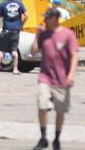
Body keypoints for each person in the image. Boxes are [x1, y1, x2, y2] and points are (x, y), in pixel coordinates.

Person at [32, 8, 78, 150]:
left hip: (62, 79)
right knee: (42, 106)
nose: (45, 20)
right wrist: (37, 35)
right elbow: (33, 51)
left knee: (60, 111)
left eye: (47, 18)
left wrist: (71, 74)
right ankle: (43, 137)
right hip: (45, 77)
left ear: (55, 18)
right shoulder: (44, 35)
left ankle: (56, 139)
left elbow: (74, 55)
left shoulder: (67, 34)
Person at [0, 0, 28, 74]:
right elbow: (26, 16)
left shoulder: (3, 4)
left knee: (1, 50)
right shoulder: (20, 4)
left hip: (6, 30)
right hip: (16, 30)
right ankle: (15, 69)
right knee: (14, 50)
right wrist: (21, 25)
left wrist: (1, 15)